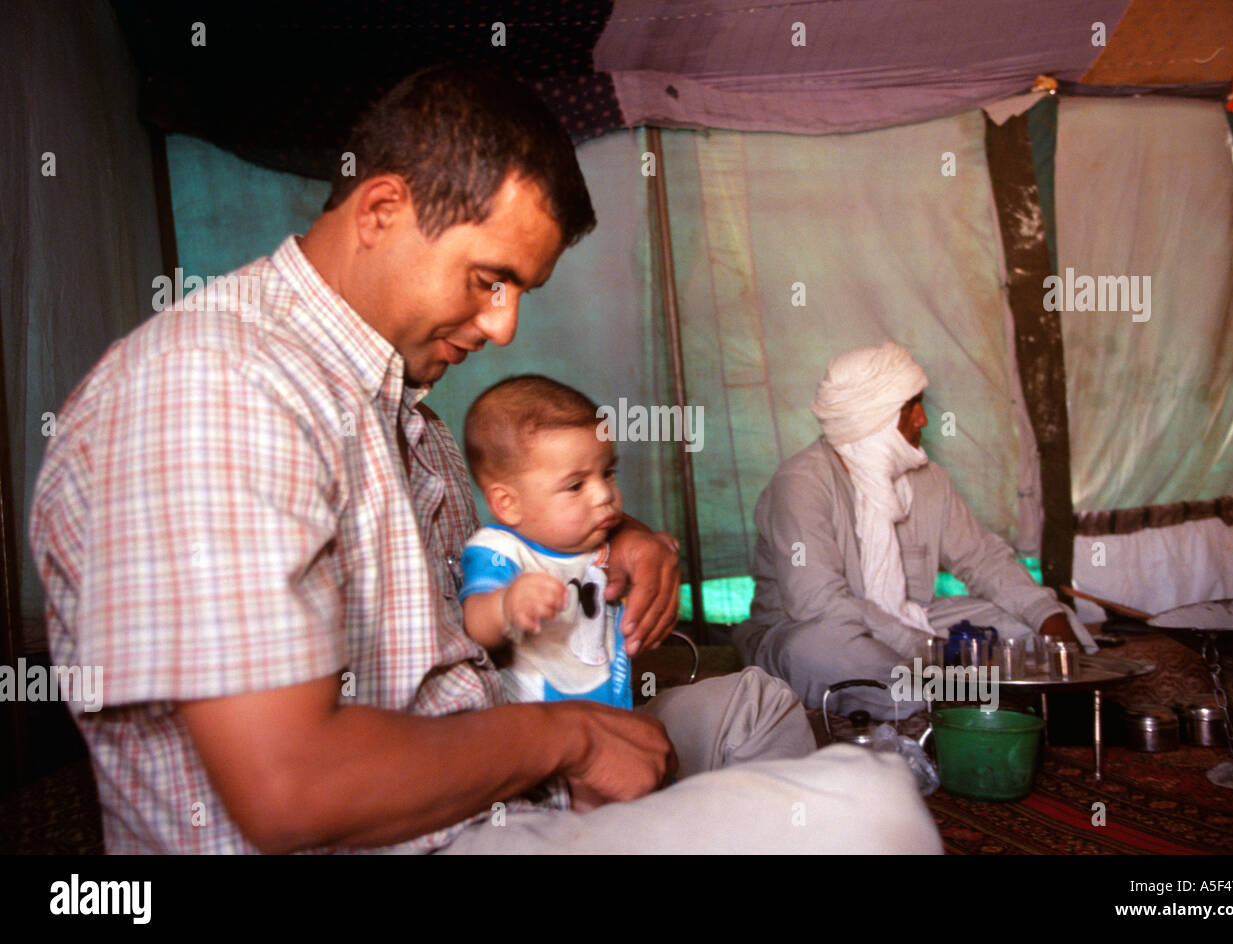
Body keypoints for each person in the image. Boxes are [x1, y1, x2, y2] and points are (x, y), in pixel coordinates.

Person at [29, 65, 942, 853]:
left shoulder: (393, 411)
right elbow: (288, 788)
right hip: (423, 835)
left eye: (520, 292)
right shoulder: (216, 389)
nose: (504, 325)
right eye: (488, 279)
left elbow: (485, 588)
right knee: (874, 809)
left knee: (751, 703)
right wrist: (564, 740)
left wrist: (621, 532)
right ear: (383, 208)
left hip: (491, 785)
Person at [732, 342, 1093, 719]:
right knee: (822, 650)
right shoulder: (801, 483)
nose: (922, 419)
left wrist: (1046, 617)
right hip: (810, 632)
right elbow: (816, 604)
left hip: (912, 622)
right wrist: (926, 648)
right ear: (875, 417)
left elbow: (981, 558)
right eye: (910, 407)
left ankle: (1015, 696)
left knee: (1028, 626)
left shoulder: (928, 479)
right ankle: (953, 702)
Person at [459, 375, 631, 708]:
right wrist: (505, 605)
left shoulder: (602, 543)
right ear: (509, 504)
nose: (604, 493)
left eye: (608, 472)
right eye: (575, 486)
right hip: (539, 714)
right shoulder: (500, 550)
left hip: (610, 698)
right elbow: (473, 624)